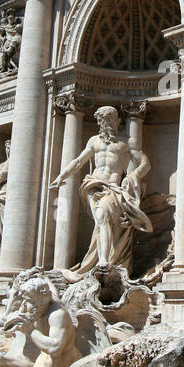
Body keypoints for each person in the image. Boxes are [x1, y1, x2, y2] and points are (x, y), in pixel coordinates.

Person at [50, 106, 152, 278]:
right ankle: (103, 260)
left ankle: (105, 259)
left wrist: (132, 175)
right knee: (101, 218)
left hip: (113, 187)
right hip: (93, 184)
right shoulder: (94, 141)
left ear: (117, 120)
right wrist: (62, 176)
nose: (104, 124)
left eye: (108, 119)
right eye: (101, 121)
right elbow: (78, 161)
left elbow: (145, 164)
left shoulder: (126, 142)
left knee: (103, 217)